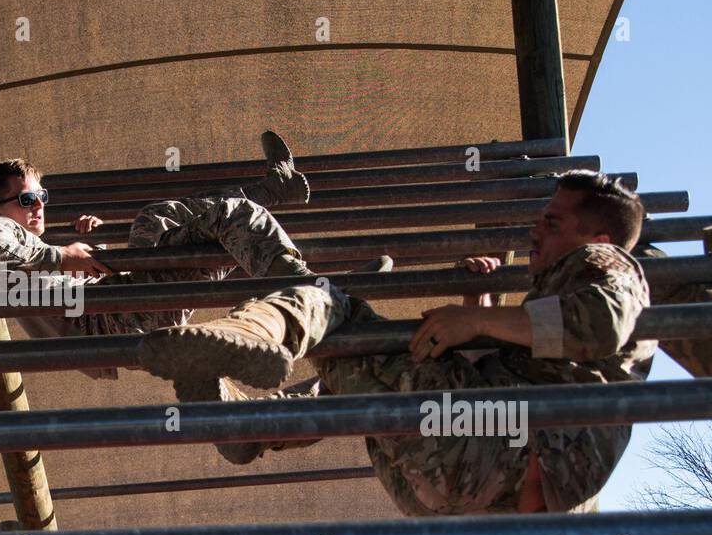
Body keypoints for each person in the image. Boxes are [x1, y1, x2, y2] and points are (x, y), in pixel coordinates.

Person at [137, 169, 656, 516]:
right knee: (357, 360)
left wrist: (474, 321)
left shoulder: (608, 265)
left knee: (342, 312)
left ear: (598, 241)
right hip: (458, 495)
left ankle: (257, 331)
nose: (534, 233)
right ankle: (249, 428)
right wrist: (481, 309)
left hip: (490, 452)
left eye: (551, 222)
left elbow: (602, 323)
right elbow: (517, 368)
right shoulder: (560, 315)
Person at [0, 131, 312, 378]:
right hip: (120, 321)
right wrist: (64, 254)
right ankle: (305, 292)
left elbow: (51, 278)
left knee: (154, 218)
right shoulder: (1, 229)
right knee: (234, 217)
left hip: (128, 310)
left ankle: (272, 189)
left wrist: (94, 246)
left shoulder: (31, 243)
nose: (38, 206)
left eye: (42, 197)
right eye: (26, 200)